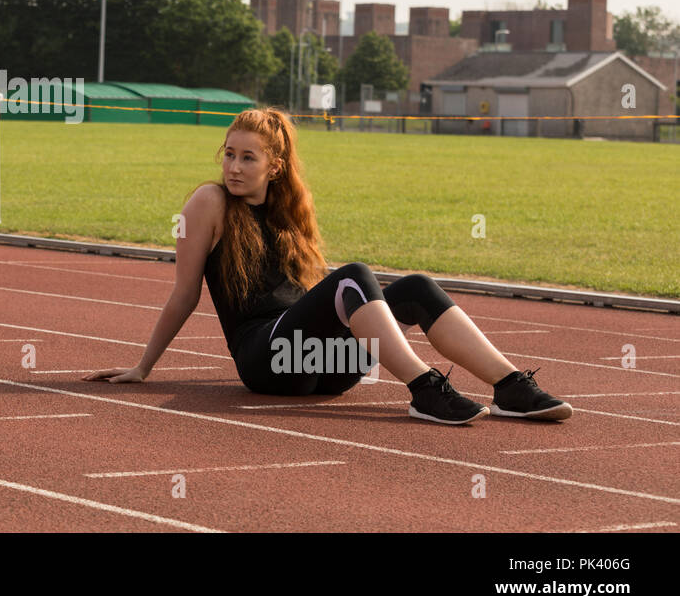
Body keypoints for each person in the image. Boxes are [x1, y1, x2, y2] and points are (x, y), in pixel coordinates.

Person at [84, 106, 572, 425]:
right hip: (268, 362)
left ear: (274, 167)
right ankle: (425, 388)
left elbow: (316, 295)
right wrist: (143, 367)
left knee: (416, 286)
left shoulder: (291, 209)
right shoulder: (208, 202)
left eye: (247, 158)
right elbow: (185, 293)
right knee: (357, 274)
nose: (233, 167)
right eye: (229, 155)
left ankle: (510, 388)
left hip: (328, 369)